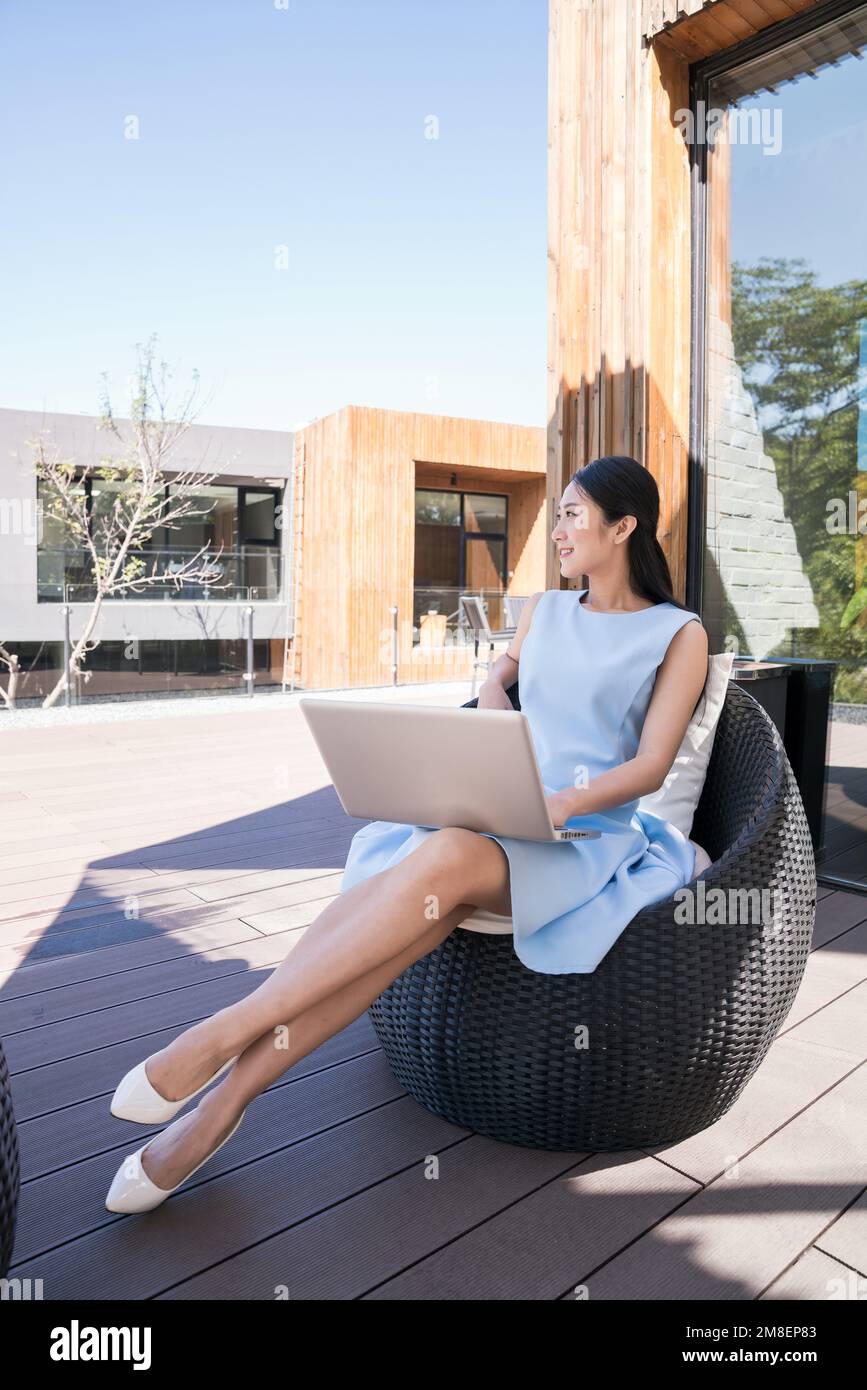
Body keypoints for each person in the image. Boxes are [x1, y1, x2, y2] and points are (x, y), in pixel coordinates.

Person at [105, 454, 709, 1212]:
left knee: (442, 856)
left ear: (622, 527)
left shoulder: (674, 633)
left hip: (580, 838)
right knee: (405, 922)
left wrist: (555, 802)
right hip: (496, 813)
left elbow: (651, 765)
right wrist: (496, 723)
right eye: (556, 512)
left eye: (573, 514)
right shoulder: (546, 611)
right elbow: (498, 679)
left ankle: (216, 1036)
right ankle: (217, 1110)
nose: (557, 529)